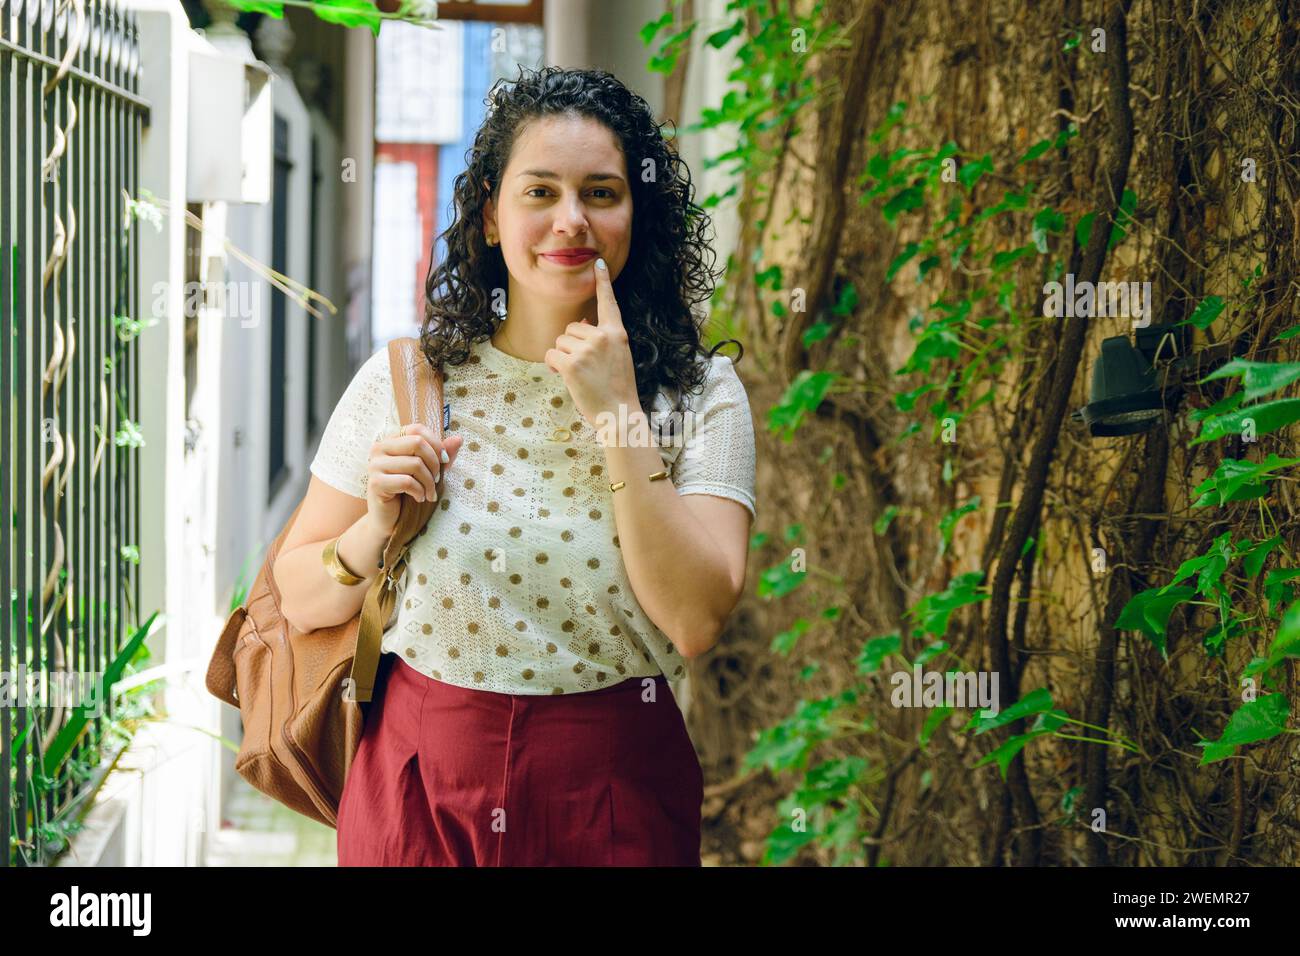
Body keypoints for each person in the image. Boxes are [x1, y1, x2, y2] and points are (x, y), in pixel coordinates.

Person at [272, 65, 757, 866]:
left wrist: (618, 416)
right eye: (540, 192)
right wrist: (373, 528)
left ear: (637, 214)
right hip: (418, 787)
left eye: (602, 192)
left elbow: (697, 617)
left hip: (615, 792)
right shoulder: (408, 380)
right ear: (493, 215)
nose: (572, 219)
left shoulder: (701, 394)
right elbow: (298, 595)